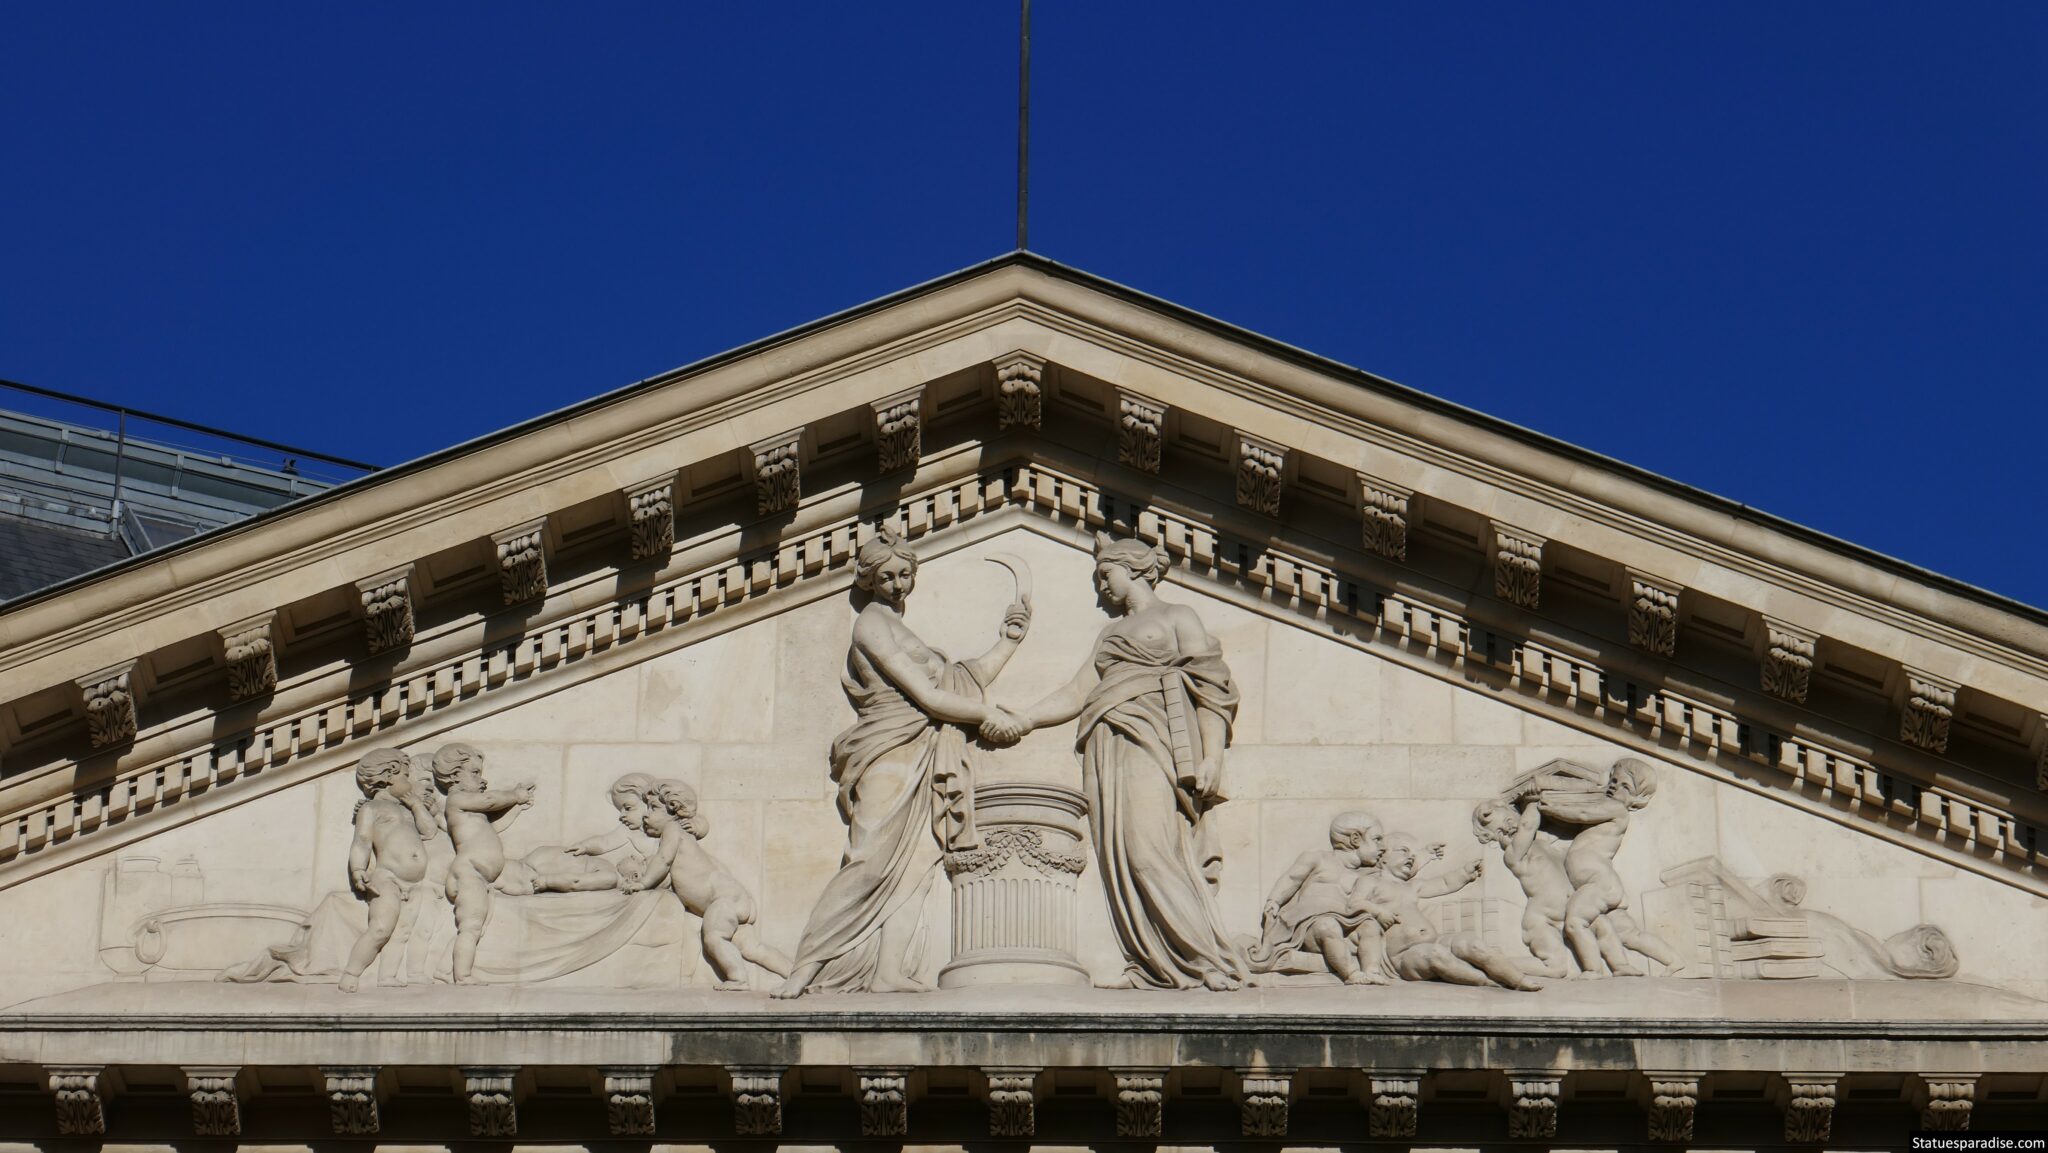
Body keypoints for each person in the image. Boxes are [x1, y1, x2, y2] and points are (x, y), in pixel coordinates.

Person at [772, 526, 1030, 997]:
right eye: (887, 576)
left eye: (905, 574)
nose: (897, 584)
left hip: (926, 750)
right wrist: (990, 714)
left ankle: (889, 972)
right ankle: (805, 967)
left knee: (917, 866)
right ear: (868, 579)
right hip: (888, 750)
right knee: (868, 860)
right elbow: (930, 695)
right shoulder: (870, 624)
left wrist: (1008, 642)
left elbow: (958, 680)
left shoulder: (901, 627)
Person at [985, 532, 1244, 991]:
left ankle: (1203, 961)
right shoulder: (1109, 634)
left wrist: (1213, 757)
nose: (1101, 587)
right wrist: (1023, 719)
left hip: (1154, 742)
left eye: (1106, 575)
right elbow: (1076, 691)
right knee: (1119, 853)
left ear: (1136, 569)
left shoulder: (1177, 616)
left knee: (1148, 851)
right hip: (1108, 744)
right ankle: (1150, 960)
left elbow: (1213, 688)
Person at [1515, 758, 1680, 977]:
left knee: (1574, 922)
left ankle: (1593, 969)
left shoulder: (1616, 809)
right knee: (1628, 934)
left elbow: (1582, 814)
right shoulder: (1607, 809)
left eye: (1625, 786)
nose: (1615, 786)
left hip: (1598, 884)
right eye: (1614, 780)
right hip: (1599, 886)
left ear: (1637, 799)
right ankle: (1670, 960)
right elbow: (1578, 814)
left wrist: (1550, 807)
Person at [625, 778, 793, 989]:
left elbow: (663, 860)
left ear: (674, 809)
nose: (646, 815)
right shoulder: (685, 832)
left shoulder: (672, 831)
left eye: (654, 808)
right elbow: (700, 826)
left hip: (721, 900)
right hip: (733, 898)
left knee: (714, 938)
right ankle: (794, 973)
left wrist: (643, 883)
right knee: (752, 948)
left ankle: (738, 978)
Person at [1351, 833, 1541, 991]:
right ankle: (1487, 982)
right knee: (1435, 954)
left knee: (1471, 942)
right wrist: (1378, 912)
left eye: (1413, 855)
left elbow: (1443, 883)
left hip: (1435, 940)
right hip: (1405, 956)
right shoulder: (1370, 882)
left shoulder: (1411, 886)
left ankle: (1517, 979)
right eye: (1403, 851)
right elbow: (1354, 903)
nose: (1411, 857)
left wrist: (1465, 873)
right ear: (1383, 857)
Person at [1248, 810, 1393, 984]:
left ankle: (1372, 971)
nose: (1384, 847)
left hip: (1346, 925)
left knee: (1370, 926)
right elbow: (1291, 879)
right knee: (1327, 925)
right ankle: (1352, 974)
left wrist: (1425, 856)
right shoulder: (1318, 858)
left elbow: (1404, 882)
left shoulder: (1367, 875)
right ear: (1355, 839)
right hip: (1310, 926)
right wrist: (1274, 901)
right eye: (1377, 839)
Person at [431, 743, 535, 985]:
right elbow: (490, 800)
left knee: (478, 927)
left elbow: (494, 827)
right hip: (470, 873)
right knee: (471, 925)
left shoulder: (472, 813)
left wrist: (517, 808)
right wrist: (514, 795)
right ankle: (463, 975)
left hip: (482, 877)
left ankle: (445, 969)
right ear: (455, 775)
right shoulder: (457, 800)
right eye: (475, 772)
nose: (482, 779)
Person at [338, 749, 439, 993]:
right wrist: (358, 869)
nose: (411, 782)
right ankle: (351, 974)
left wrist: (415, 804)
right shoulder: (371, 809)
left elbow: (429, 831)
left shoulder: (408, 809)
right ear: (389, 775)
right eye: (406, 775)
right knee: (381, 929)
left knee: (402, 932)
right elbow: (362, 841)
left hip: (415, 883)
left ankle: (388, 975)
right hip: (387, 878)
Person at [1471, 798, 1578, 978]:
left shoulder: (1544, 845)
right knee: (1556, 968)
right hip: (1542, 920)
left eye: (1509, 821)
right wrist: (1534, 799)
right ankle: (1491, 963)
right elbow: (1528, 826)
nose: (1507, 829)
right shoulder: (1513, 855)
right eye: (1499, 832)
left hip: (1573, 914)